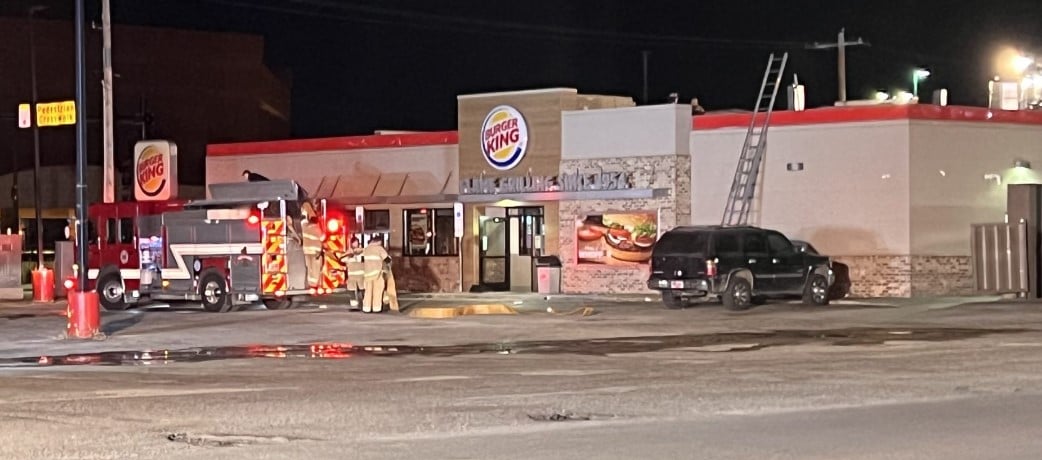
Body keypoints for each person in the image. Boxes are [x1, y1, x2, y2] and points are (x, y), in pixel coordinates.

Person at [361, 235, 390, 313]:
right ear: (379, 241)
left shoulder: (366, 249)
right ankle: (376, 308)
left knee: (368, 292)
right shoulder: (379, 249)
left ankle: (366, 308)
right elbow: (387, 259)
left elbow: (362, 261)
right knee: (377, 291)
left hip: (367, 274)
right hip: (377, 274)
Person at [300, 202, 324, 289]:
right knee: (315, 269)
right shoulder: (317, 228)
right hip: (315, 253)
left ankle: (311, 284)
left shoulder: (305, 227)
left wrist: (305, 208)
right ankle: (314, 284)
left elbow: (303, 220)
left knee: (310, 267)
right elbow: (322, 238)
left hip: (307, 252)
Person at [344, 237, 365, 309]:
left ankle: (364, 304)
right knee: (352, 291)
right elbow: (343, 259)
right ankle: (354, 306)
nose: (355, 244)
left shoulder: (362, 251)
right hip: (351, 276)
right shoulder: (348, 252)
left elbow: (364, 260)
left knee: (363, 290)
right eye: (354, 243)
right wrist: (349, 256)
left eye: (356, 242)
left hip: (361, 275)